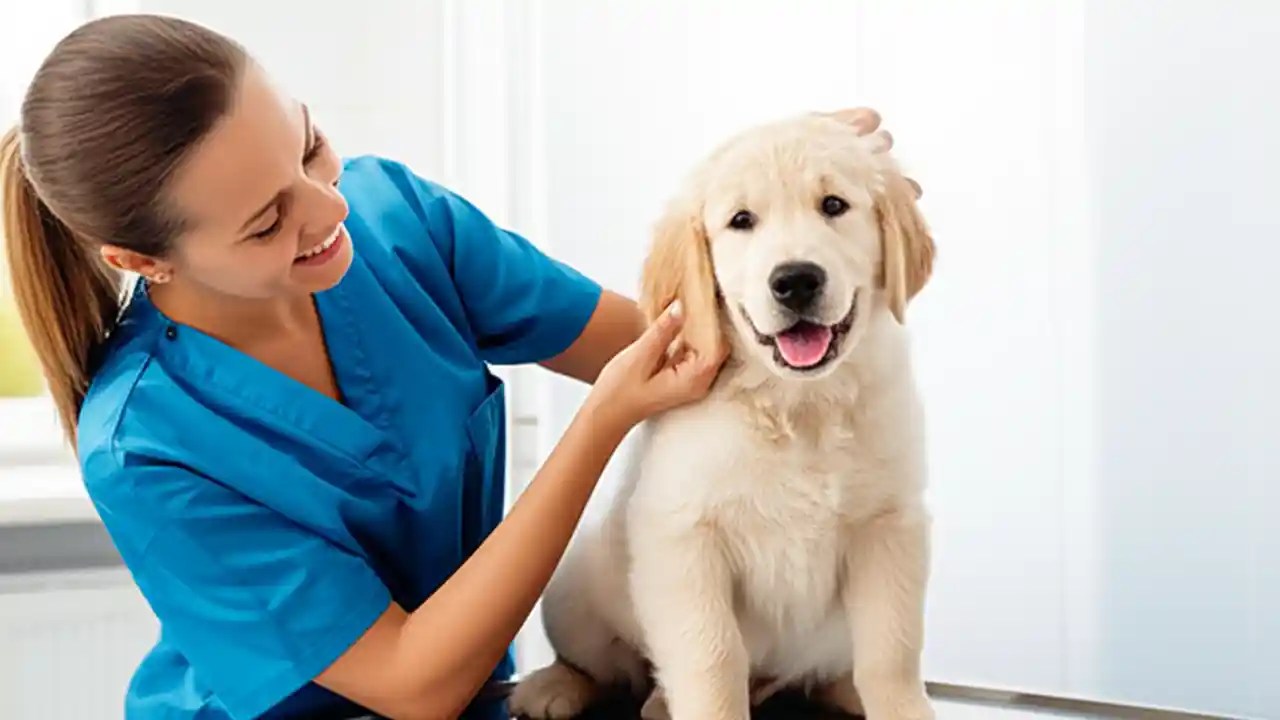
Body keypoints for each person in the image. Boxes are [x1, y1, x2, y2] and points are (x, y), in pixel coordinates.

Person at [0, 13, 905, 720]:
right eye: (267, 221)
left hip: (486, 702)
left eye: (309, 145)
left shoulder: (397, 220)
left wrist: (796, 197)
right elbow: (412, 684)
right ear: (142, 260)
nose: (326, 208)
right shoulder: (146, 448)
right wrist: (599, 425)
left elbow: (686, 351)